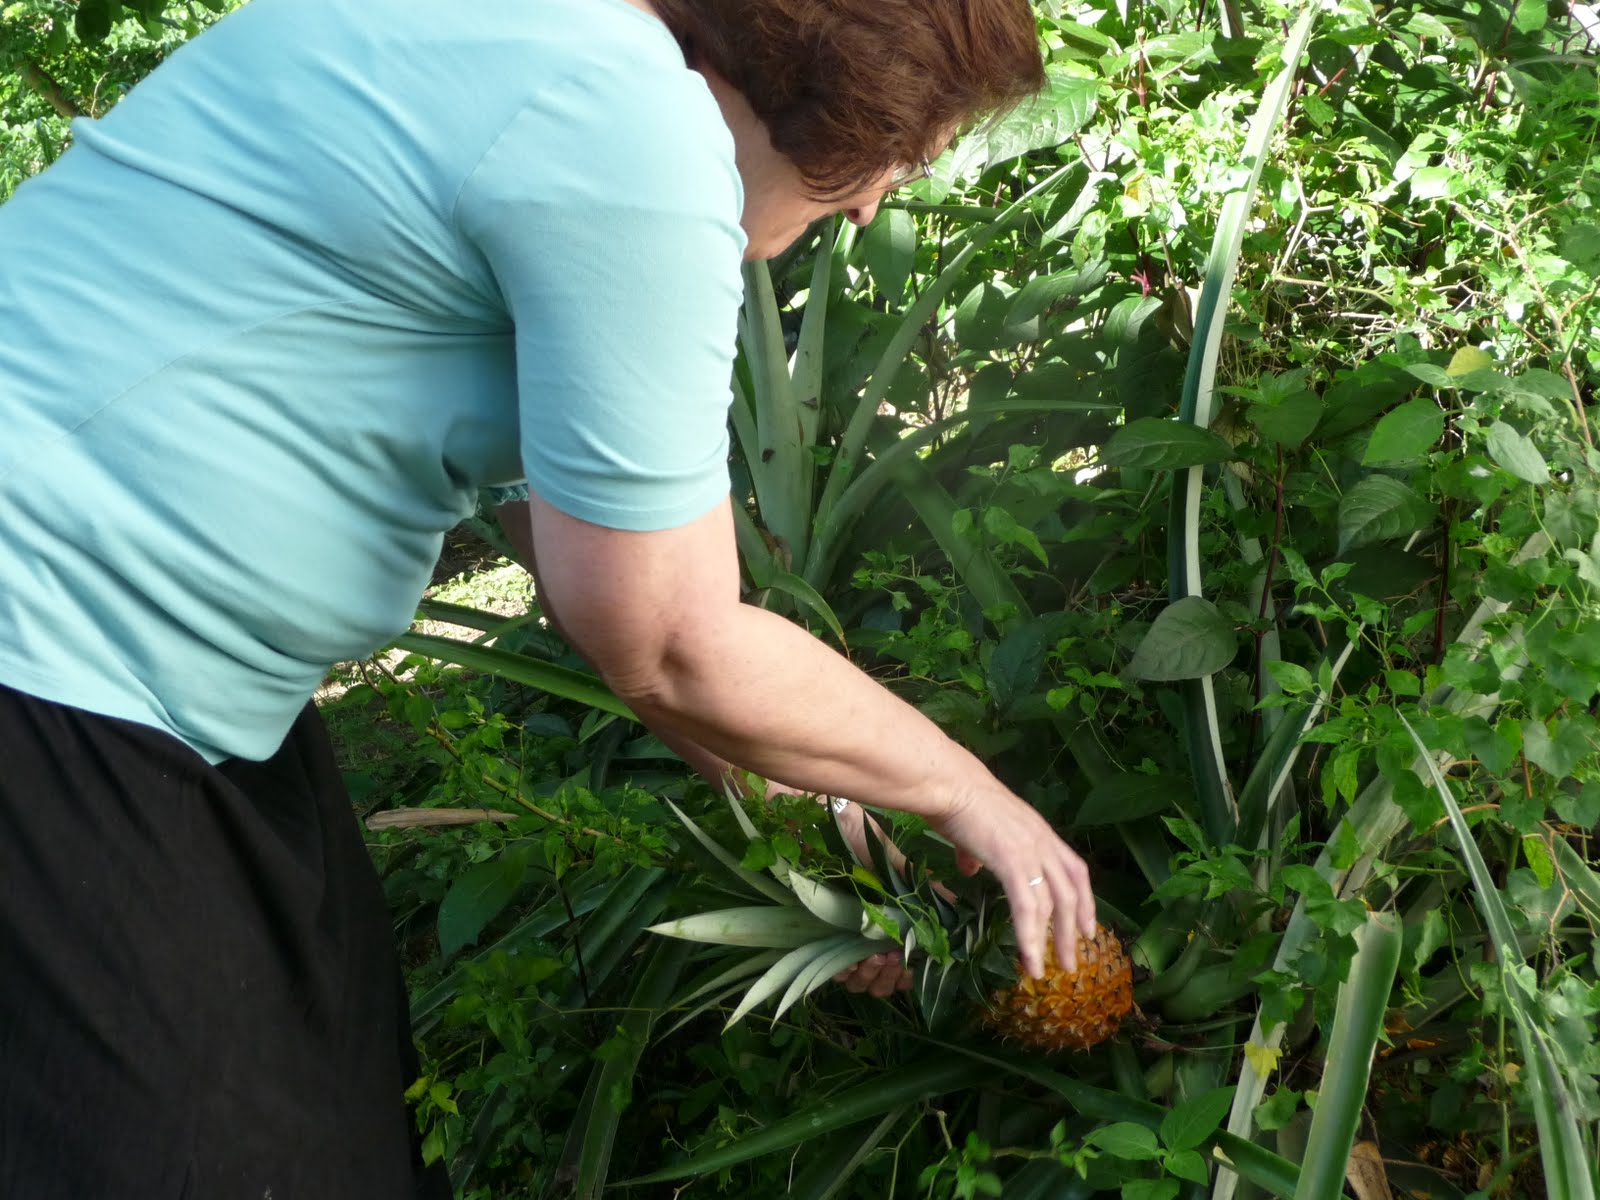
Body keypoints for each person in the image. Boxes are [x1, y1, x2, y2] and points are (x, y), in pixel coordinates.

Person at [0, 0, 1096, 1195]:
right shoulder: (625, 127)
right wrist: (975, 799)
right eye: (896, 156)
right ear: (834, 92)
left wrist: (806, 815)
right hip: (49, 662)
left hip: (146, 683)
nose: (875, 200)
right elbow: (670, 640)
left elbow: (590, 550)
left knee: (330, 1134)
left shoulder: (519, 33)